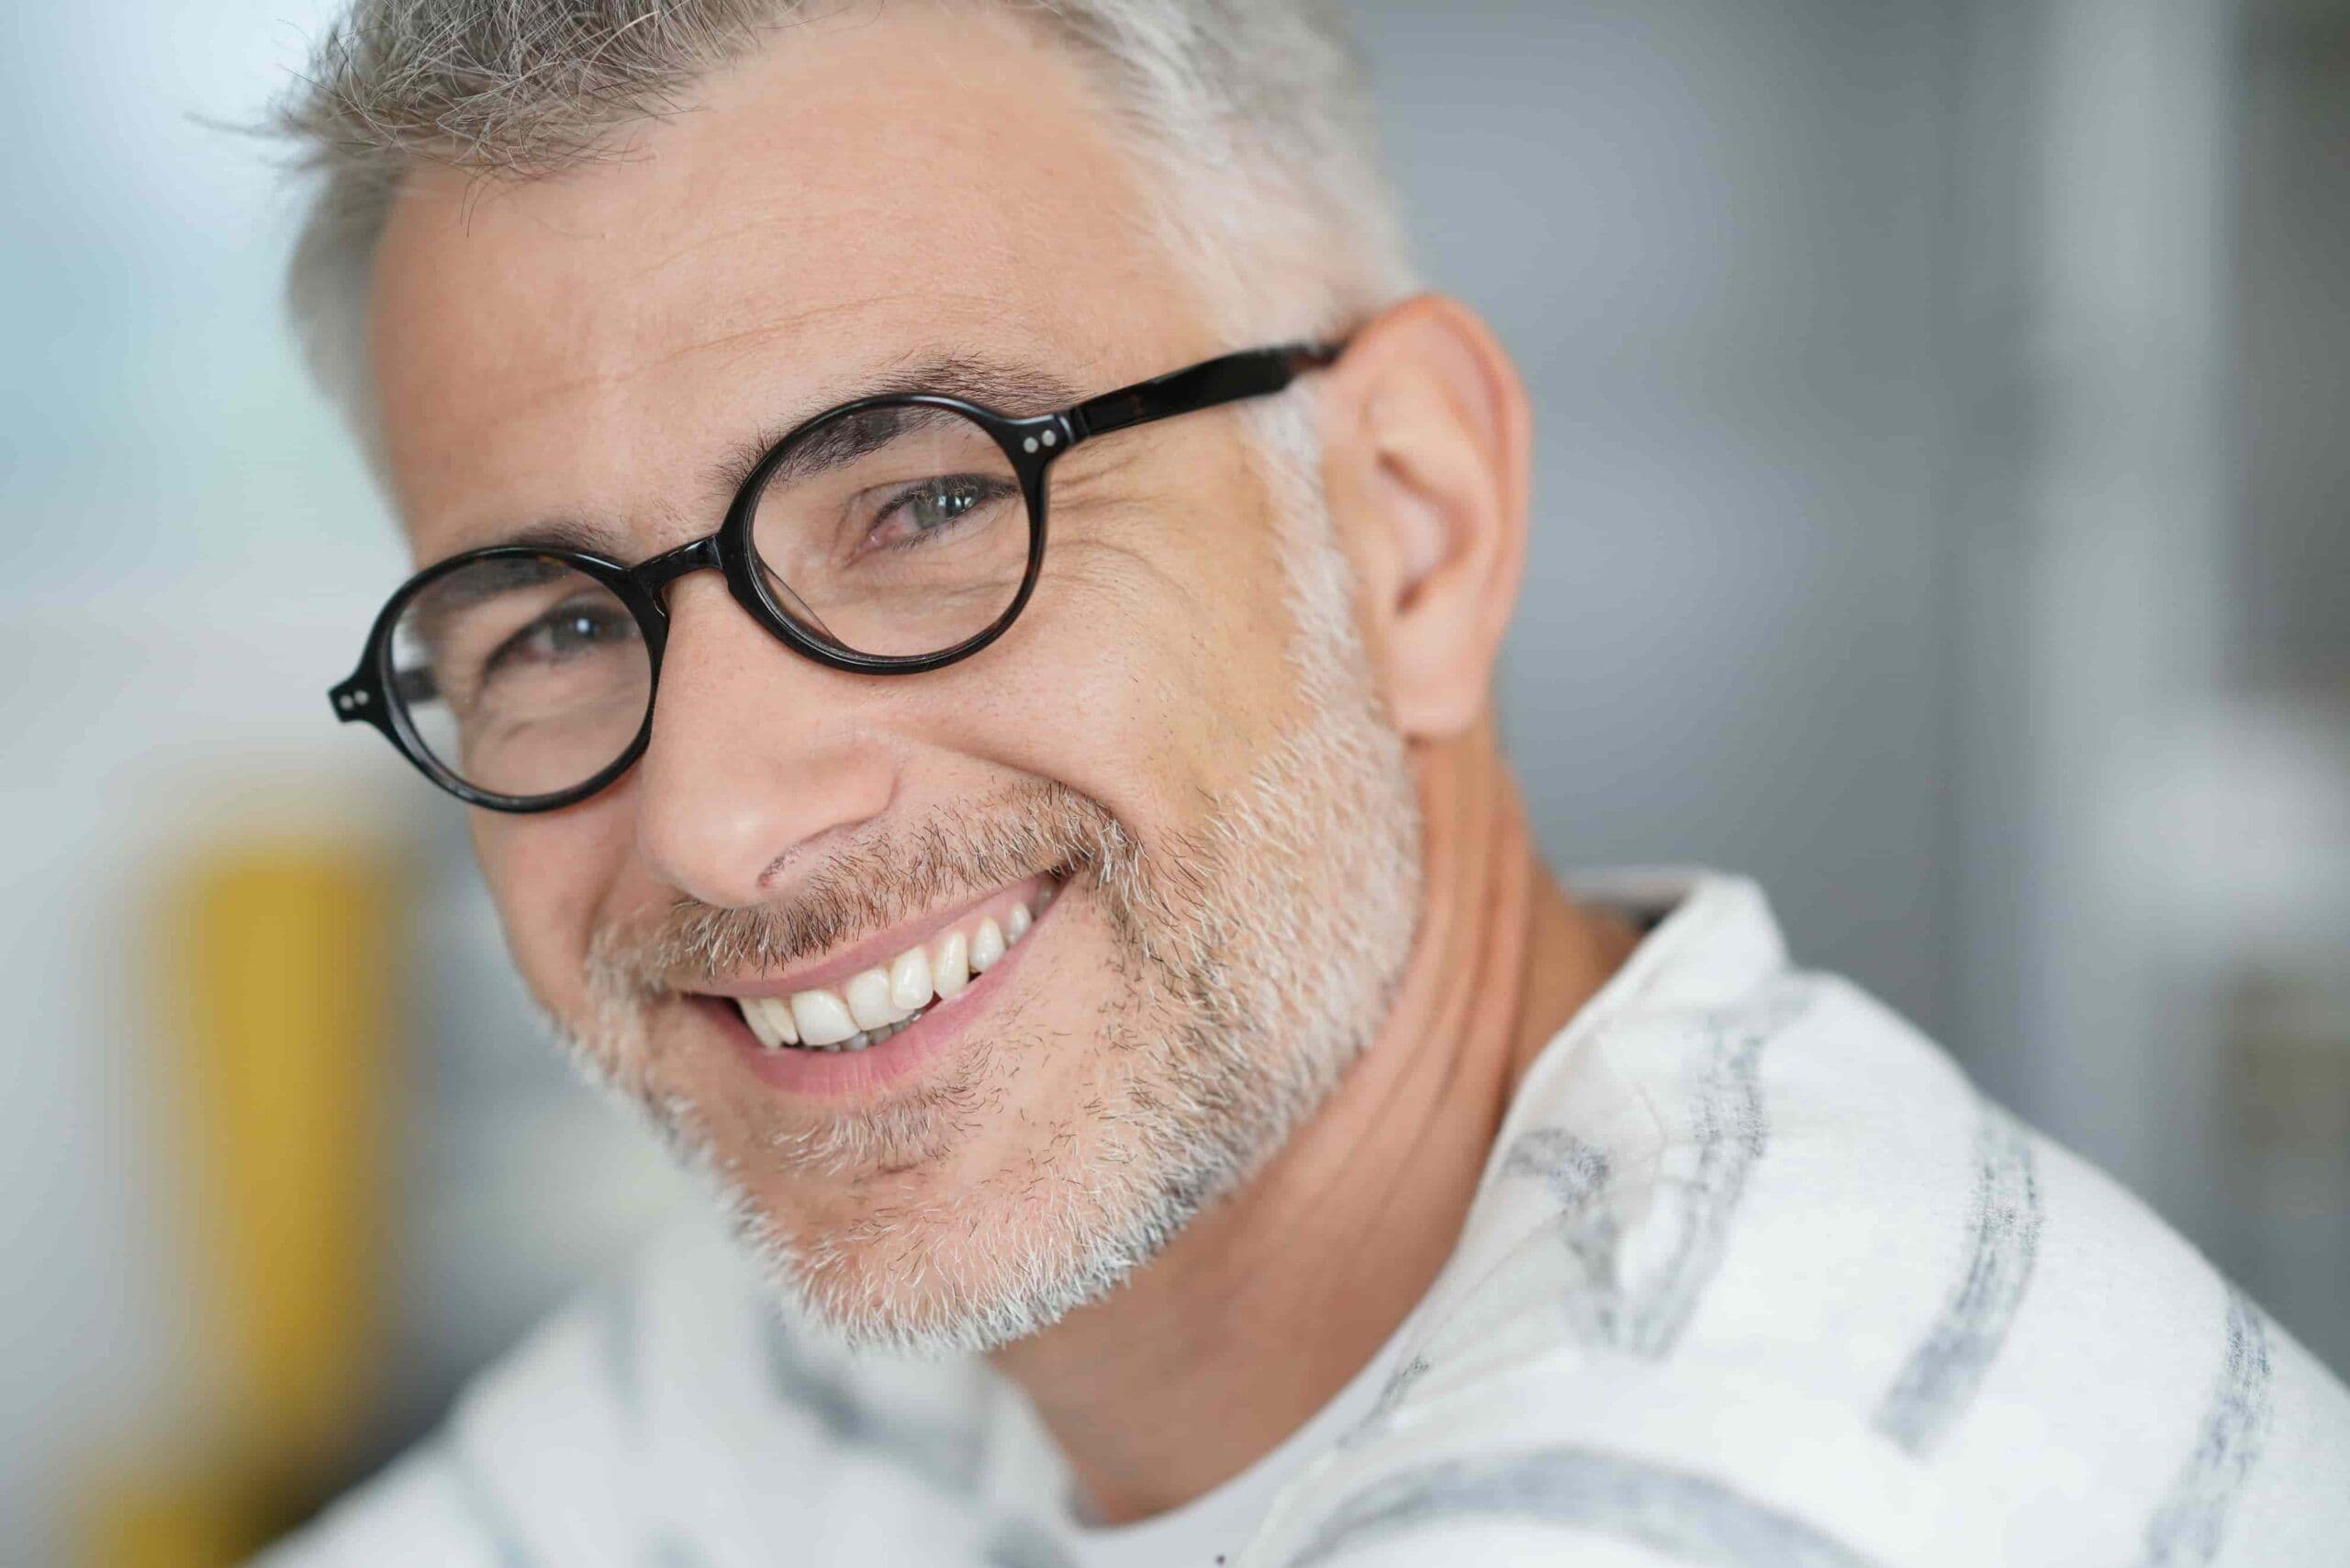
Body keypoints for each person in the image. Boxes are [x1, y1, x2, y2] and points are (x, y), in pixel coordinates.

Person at [261, 3, 2350, 1563]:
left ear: (1409, 526)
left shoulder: (1713, 1482)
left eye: (918, 501)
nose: (717, 819)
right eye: (545, 625)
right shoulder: (824, 1342)